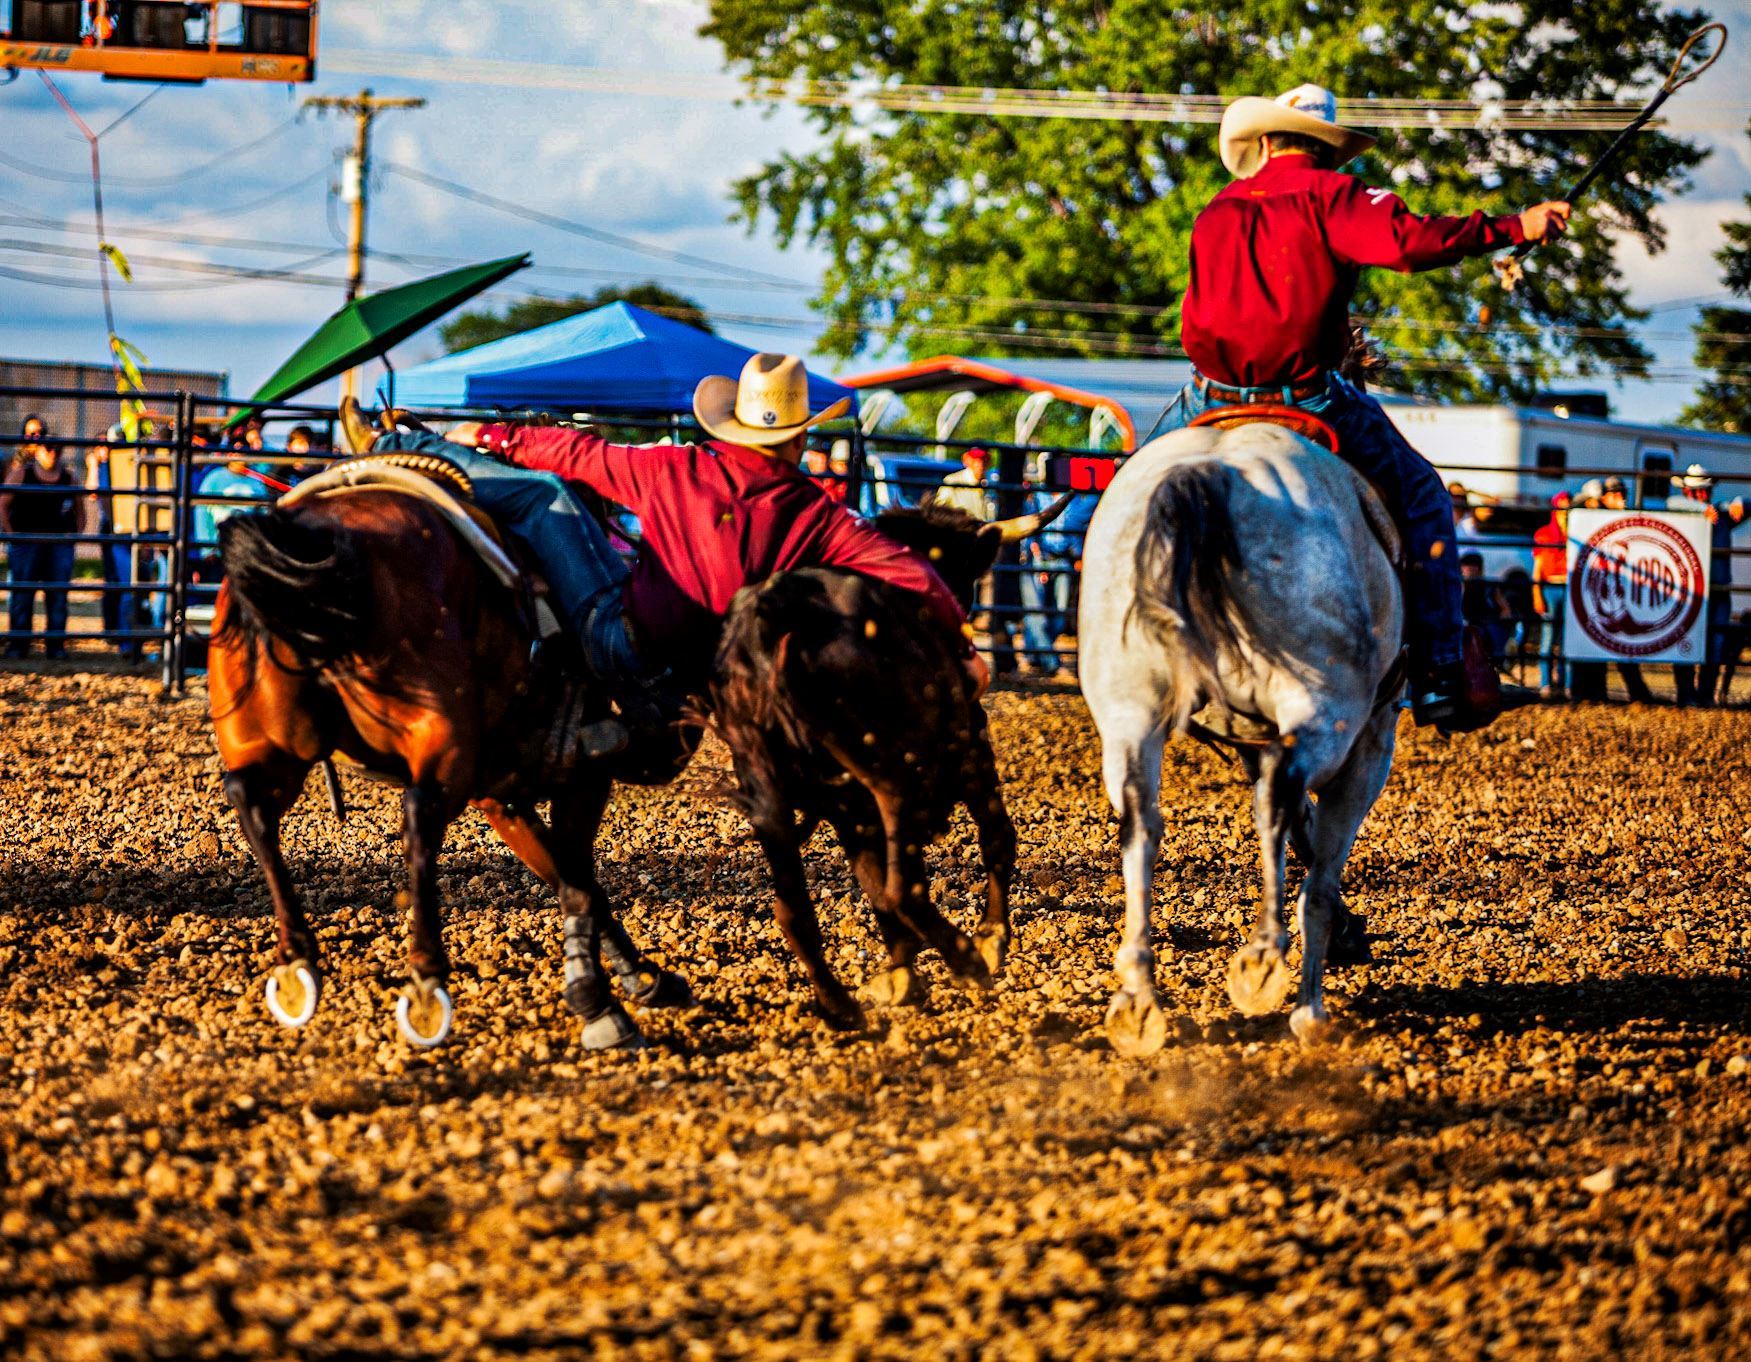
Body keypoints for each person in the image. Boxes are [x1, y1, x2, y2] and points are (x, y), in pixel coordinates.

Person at [1159, 83, 1571, 732]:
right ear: (1328, 149)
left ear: (1264, 142)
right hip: (1306, 394)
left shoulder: (1215, 210)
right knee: (1424, 496)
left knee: (1137, 480)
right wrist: (1511, 227)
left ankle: (1138, 636)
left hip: (1208, 392)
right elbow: (1408, 244)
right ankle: (1440, 671)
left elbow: (1196, 308)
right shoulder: (1333, 195)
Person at [340, 353, 981, 749]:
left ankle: (397, 446)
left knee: (547, 498)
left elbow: (575, 455)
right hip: (724, 669)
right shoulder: (817, 511)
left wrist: (487, 433)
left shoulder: (676, 468)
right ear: (797, 435)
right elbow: (912, 572)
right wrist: (965, 647)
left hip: (626, 645)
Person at [1667, 466, 1748, 707]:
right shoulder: (1686, 513)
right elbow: (1671, 503)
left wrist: (1739, 502)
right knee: (1685, 640)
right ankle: (1686, 693)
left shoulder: (1722, 517)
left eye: (1705, 491)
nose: (1702, 495)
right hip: (1690, 589)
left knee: (1716, 642)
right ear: (1687, 493)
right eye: (1696, 492)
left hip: (1718, 588)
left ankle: (1705, 694)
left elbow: (1746, 505)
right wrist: (1703, 509)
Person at [1, 419, 81, 659]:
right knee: (22, 595)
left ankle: (55, 645)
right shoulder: (21, 473)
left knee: (57, 596)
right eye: (48, 447)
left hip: (57, 544)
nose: (53, 452)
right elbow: (3, 504)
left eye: (57, 448)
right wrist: (12, 535)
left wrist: (71, 538)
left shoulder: (68, 478)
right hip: (27, 543)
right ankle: (18, 644)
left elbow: (81, 509)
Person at [1020, 487, 1096, 678]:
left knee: (1060, 613)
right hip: (1039, 559)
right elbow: (1031, 529)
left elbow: (1076, 523)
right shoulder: (1037, 497)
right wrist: (1038, 556)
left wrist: (1077, 553)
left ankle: (1033, 654)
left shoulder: (1072, 497)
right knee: (1036, 613)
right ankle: (1051, 663)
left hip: (1063, 558)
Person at [84, 425, 140, 659]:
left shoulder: (129, 464)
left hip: (129, 531)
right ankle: (119, 635)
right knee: (118, 583)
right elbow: (94, 492)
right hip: (114, 532)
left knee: (127, 585)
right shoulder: (105, 467)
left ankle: (125, 637)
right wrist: (93, 465)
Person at [1531, 492, 1570, 699]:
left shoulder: (1574, 534)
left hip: (1568, 587)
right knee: (1548, 638)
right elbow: (1537, 568)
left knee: (1566, 640)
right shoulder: (1544, 535)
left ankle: (1565, 683)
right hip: (1551, 586)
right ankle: (1546, 682)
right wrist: (1537, 591)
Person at [933, 445, 993, 521]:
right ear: (966, 459)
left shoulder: (993, 484)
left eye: (983, 458)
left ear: (989, 461)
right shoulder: (952, 481)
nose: (979, 463)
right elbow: (939, 512)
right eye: (975, 458)